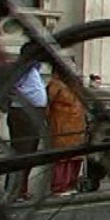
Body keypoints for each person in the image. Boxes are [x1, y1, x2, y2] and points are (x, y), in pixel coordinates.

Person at [5, 42, 47, 201]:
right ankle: (13, 190)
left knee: (30, 152)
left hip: (35, 113)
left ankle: (21, 189)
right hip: (23, 113)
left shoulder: (33, 69)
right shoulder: (21, 68)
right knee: (21, 152)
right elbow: (9, 87)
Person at [46, 64, 87, 196]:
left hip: (77, 125)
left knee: (76, 156)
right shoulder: (56, 84)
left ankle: (71, 183)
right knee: (63, 157)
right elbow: (47, 105)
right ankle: (60, 186)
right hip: (62, 125)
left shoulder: (75, 86)